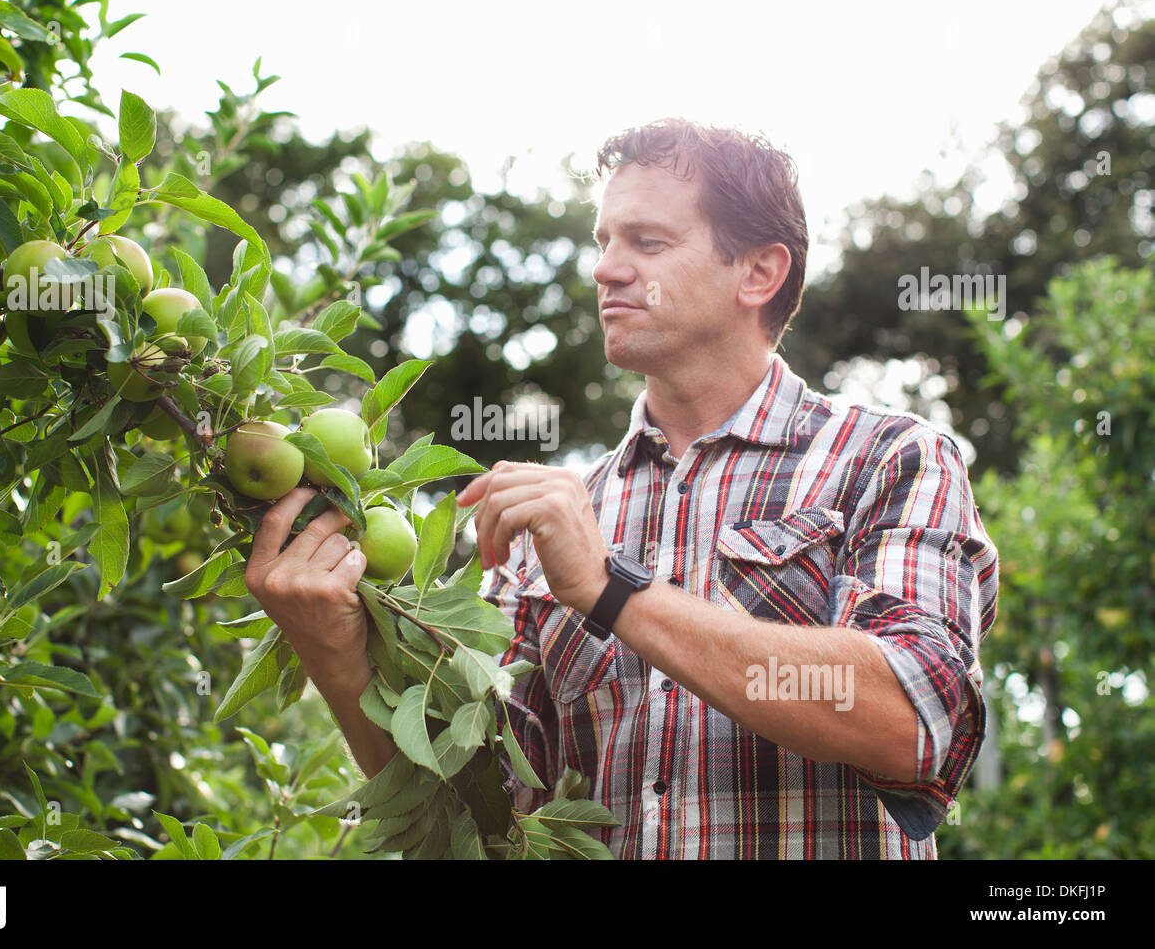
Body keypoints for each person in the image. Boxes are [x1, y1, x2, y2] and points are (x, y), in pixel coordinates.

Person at [245, 117, 999, 859]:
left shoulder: (888, 458)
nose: (606, 270)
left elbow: (913, 722)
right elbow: (477, 827)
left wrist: (613, 592)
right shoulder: (553, 522)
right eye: (604, 243)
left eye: (647, 243)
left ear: (758, 272)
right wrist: (336, 652)